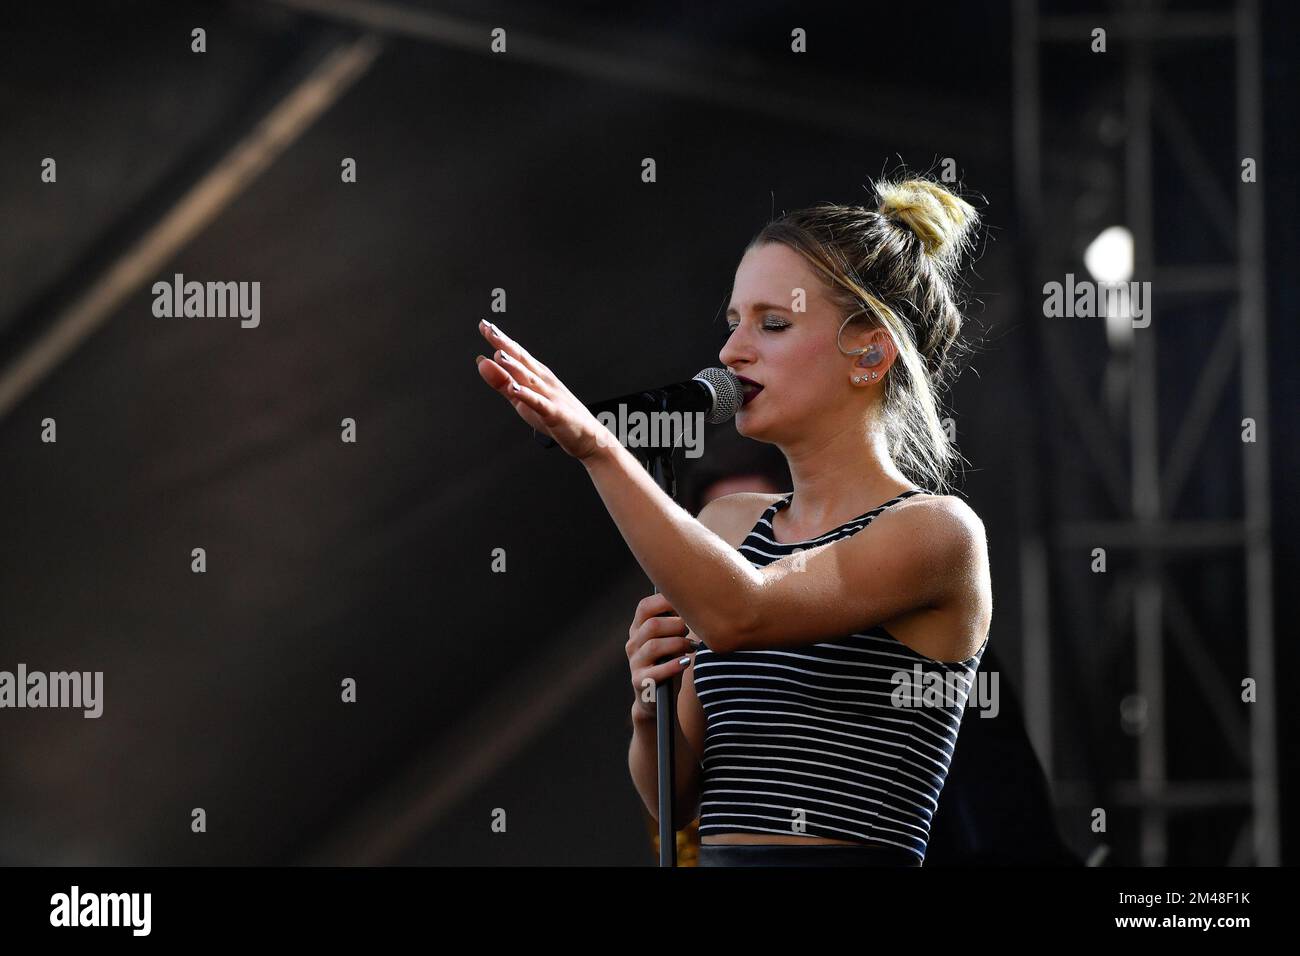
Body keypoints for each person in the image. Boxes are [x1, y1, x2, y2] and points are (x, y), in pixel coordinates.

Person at [475, 173, 992, 866]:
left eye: (772, 324)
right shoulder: (726, 525)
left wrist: (599, 447)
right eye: (733, 324)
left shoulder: (935, 532)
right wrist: (648, 710)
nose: (731, 352)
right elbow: (675, 800)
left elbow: (742, 612)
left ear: (869, 352)